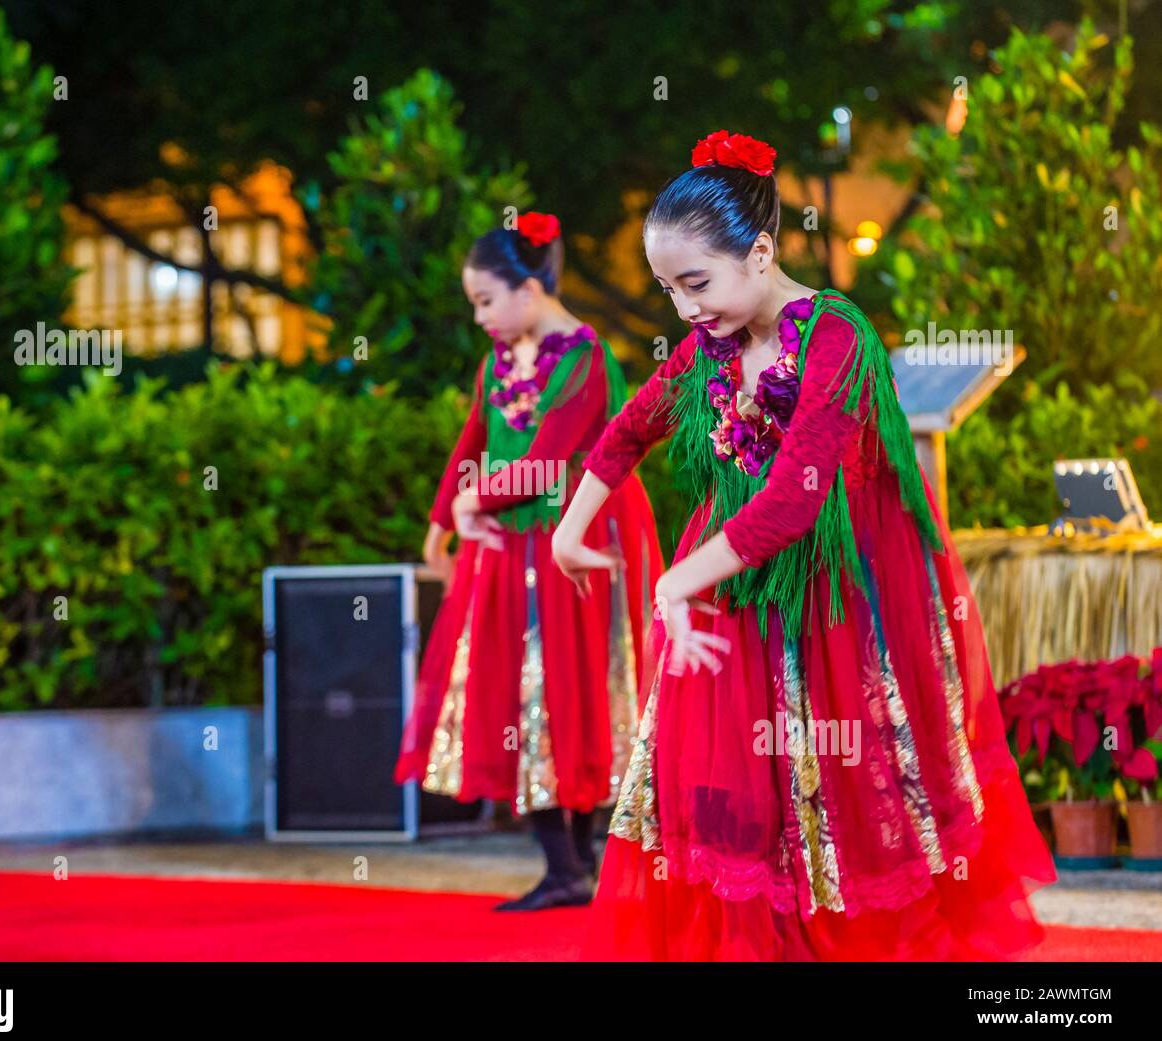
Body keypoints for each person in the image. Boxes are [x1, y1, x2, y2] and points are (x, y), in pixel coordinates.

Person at [552, 132, 1057, 959]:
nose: (685, 309)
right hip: (746, 601)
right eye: (669, 289)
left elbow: (794, 499)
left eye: (697, 284)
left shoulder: (837, 339)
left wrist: (679, 582)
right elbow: (627, 431)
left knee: (845, 791)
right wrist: (571, 532)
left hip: (837, 604)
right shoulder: (708, 347)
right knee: (746, 800)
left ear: (757, 251)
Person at [395, 211, 665, 911]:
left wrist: (471, 504)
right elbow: (472, 439)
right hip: (511, 540)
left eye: (486, 300)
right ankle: (565, 866)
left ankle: (580, 863)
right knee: (523, 693)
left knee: (570, 692)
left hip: (573, 540)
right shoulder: (499, 359)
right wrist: (439, 526)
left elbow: (547, 464)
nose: (480, 317)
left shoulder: (584, 358)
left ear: (528, 287)